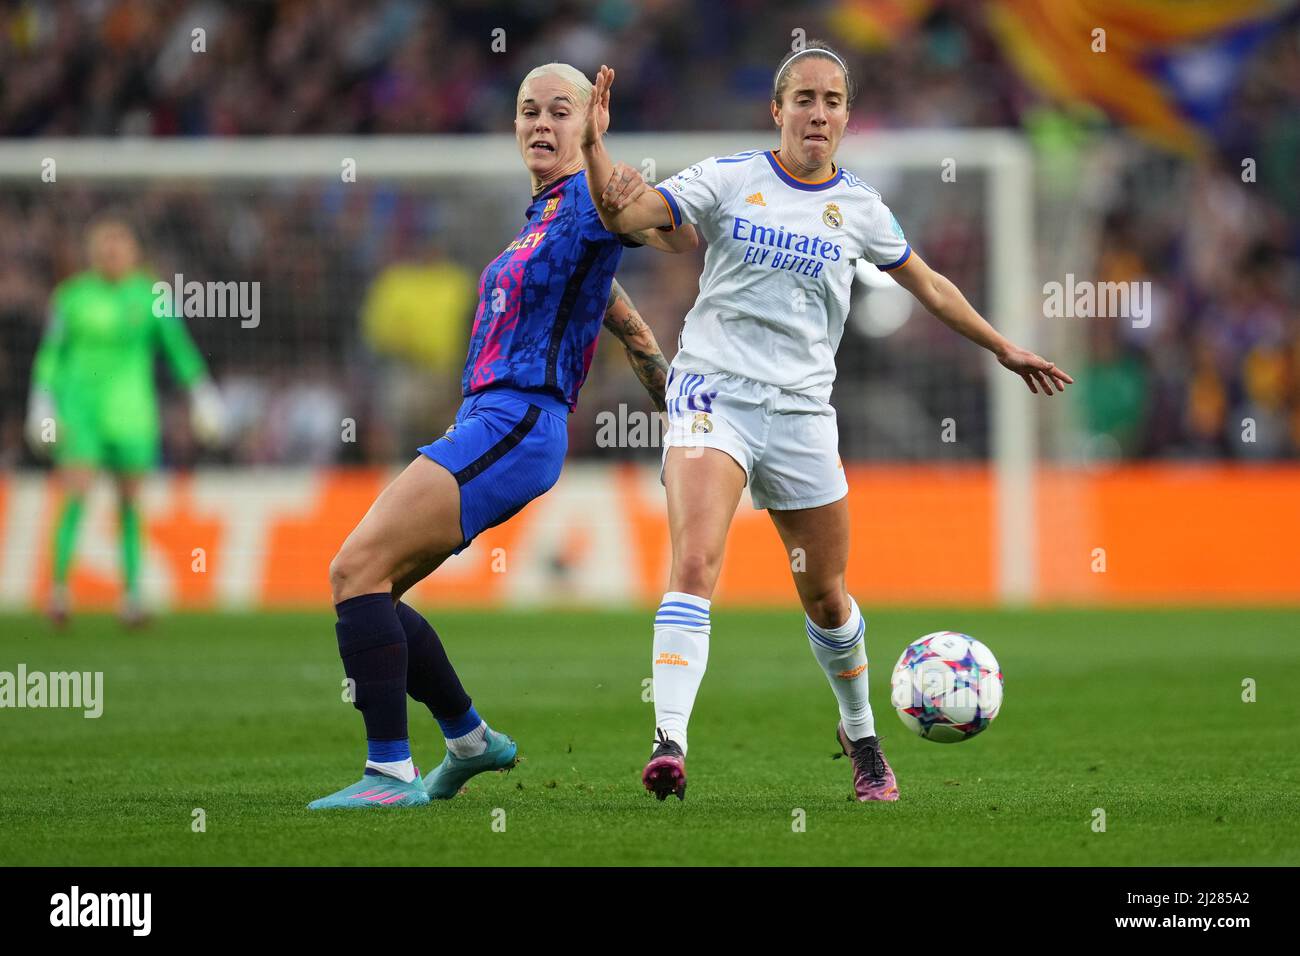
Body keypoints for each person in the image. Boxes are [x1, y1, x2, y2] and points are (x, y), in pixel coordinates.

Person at [579, 43, 1073, 803]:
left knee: (827, 597)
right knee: (695, 564)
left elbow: (930, 285)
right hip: (715, 396)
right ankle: (669, 739)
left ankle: (864, 738)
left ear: (846, 116)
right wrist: (593, 146)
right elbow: (630, 211)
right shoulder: (729, 178)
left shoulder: (862, 209)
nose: (818, 112)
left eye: (832, 100)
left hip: (804, 416)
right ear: (776, 111)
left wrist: (1002, 346)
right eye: (803, 98)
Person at [308, 63, 697, 810]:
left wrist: (613, 169)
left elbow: (671, 227)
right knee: (373, 592)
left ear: (590, 123)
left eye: (561, 111)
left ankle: (389, 776)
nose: (541, 124)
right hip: (490, 422)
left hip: (517, 421)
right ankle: (468, 740)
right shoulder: (550, 218)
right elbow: (632, 326)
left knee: (352, 570)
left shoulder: (591, 198)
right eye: (528, 112)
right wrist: (677, 418)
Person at [25, 217, 225, 627]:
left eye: (120, 244)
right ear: (92, 251)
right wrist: (41, 402)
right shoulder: (72, 297)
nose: (112, 252)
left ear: (134, 251)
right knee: (76, 493)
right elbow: (51, 353)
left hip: (134, 417)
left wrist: (203, 394)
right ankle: (59, 592)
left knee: (130, 503)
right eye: (105, 245)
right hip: (80, 414)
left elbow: (178, 349)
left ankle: (131, 597)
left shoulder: (151, 296)